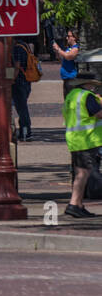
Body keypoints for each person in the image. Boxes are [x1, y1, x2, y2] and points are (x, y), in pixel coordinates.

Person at [62, 66, 102, 218]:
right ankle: (74, 204)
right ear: (87, 83)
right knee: (83, 173)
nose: (94, 86)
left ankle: (78, 205)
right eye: (92, 84)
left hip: (75, 140)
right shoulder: (87, 96)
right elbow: (98, 114)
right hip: (87, 139)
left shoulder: (72, 95)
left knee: (80, 172)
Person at [11, 38, 35, 141]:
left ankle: (26, 132)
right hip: (27, 81)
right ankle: (24, 131)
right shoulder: (25, 46)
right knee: (22, 107)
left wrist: (12, 79)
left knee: (22, 109)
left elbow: (17, 66)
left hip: (19, 82)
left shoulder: (17, 48)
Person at [53, 30, 80, 100]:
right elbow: (63, 60)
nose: (67, 38)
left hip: (72, 78)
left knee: (71, 101)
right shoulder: (69, 48)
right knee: (67, 101)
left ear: (74, 38)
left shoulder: (75, 48)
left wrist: (58, 49)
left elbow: (68, 56)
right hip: (66, 78)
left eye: (68, 36)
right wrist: (57, 52)